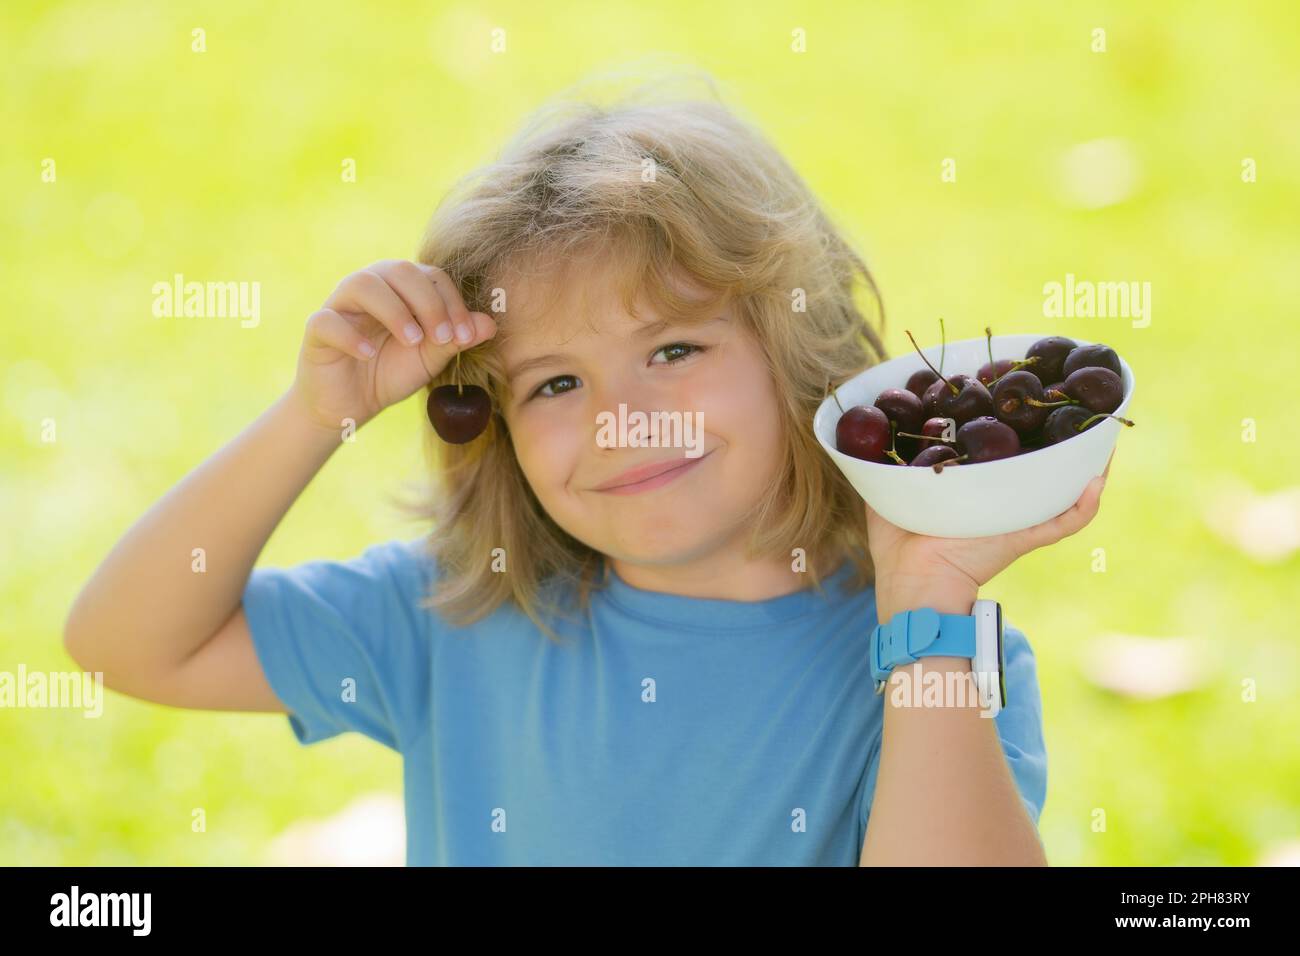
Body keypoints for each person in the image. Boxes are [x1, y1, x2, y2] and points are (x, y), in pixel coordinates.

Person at [64, 83, 1107, 866]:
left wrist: (924, 605)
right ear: (495, 421)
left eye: (672, 351)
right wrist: (313, 416)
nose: (620, 420)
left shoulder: (929, 657)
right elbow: (125, 643)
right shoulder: (457, 615)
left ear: (801, 352)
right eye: (556, 381)